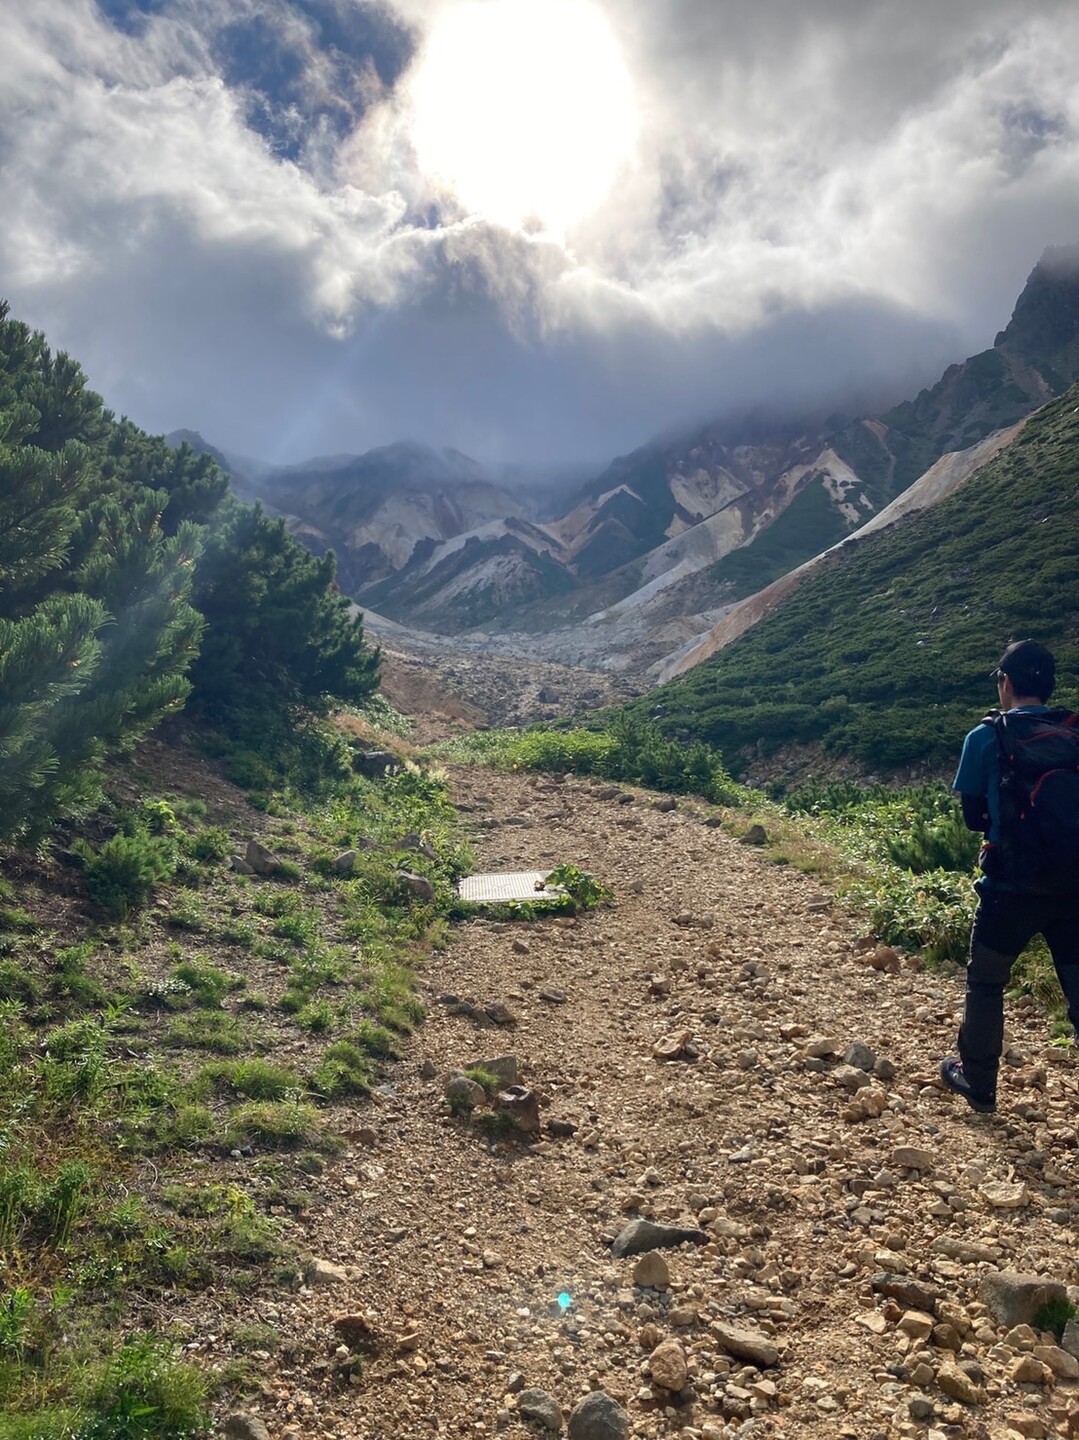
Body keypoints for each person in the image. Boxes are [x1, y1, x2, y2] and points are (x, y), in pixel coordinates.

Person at [940, 639, 1079, 1113]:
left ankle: (978, 1083)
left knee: (987, 983)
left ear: (1005, 682)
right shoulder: (1074, 733)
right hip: (1074, 886)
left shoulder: (984, 737)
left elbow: (974, 819)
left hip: (1009, 888)